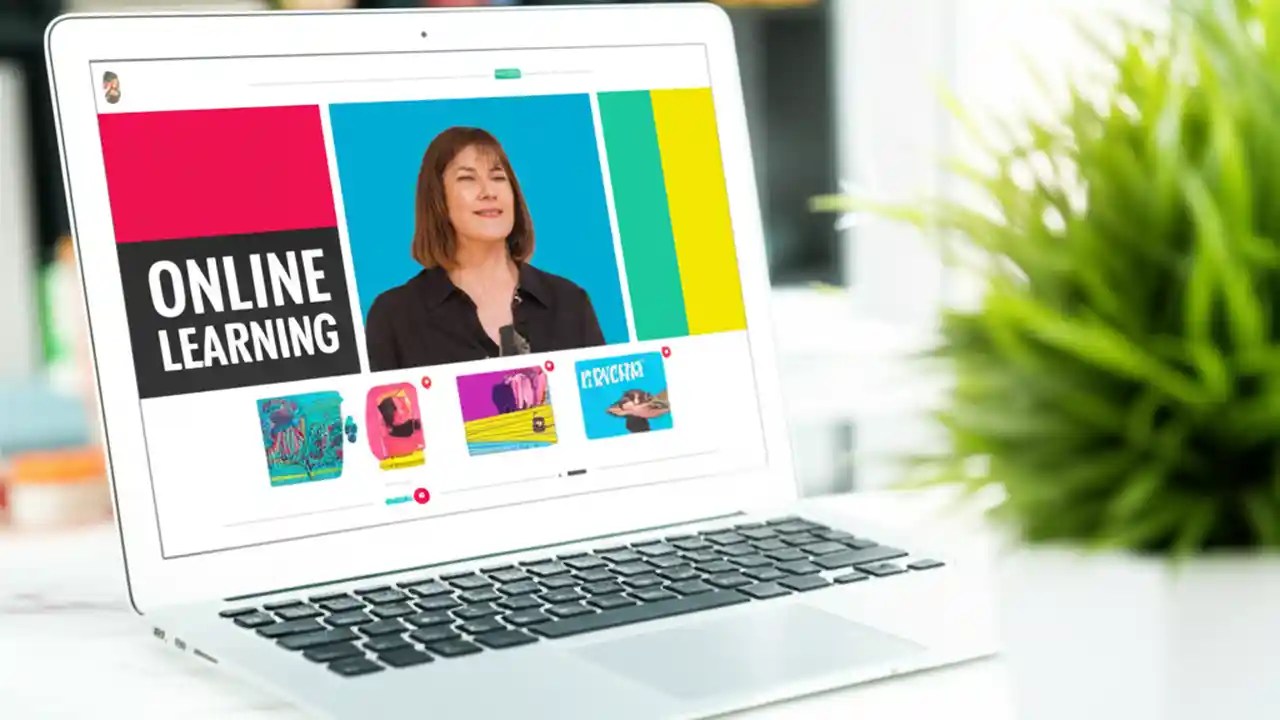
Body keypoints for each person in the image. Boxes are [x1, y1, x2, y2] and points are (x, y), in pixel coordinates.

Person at [365, 127, 605, 370]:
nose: (489, 192)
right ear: (438, 200)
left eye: (498, 177)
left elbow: (600, 404)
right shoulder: (395, 316)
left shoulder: (568, 302)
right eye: (468, 178)